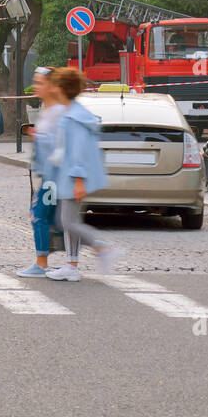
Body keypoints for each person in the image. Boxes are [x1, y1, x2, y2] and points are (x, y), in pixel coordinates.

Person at [41, 66, 124, 282]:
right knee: (68, 221)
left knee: (67, 222)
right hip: (69, 175)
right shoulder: (72, 112)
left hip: (72, 177)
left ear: (60, 88)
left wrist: (79, 181)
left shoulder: (73, 118)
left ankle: (102, 248)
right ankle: (71, 265)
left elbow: (77, 152)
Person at [18, 67, 66, 278]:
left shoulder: (57, 111)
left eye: (39, 83)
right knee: (53, 219)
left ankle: (43, 263)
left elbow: (62, 142)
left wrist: (39, 137)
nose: (35, 87)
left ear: (52, 86)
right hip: (49, 174)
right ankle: (61, 262)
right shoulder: (50, 109)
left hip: (54, 176)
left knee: (40, 217)